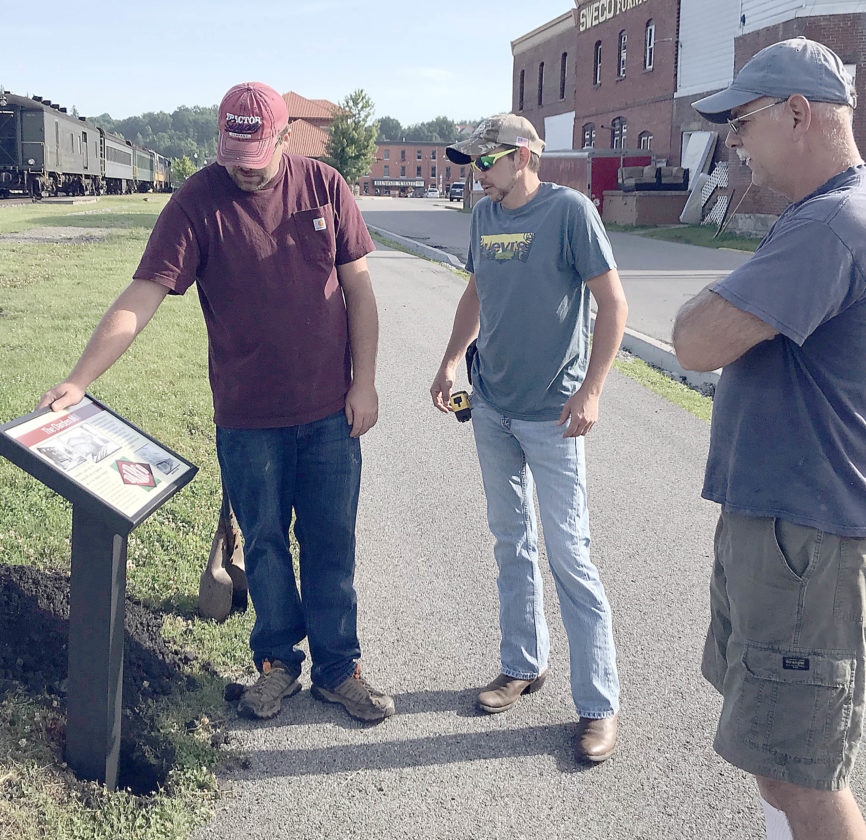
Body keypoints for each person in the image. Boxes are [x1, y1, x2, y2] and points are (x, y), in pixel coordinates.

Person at [38, 82, 395, 724]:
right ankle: (277, 664)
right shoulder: (197, 200)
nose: (242, 166)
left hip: (328, 412)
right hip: (247, 415)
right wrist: (80, 378)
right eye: (232, 152)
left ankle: (340, 670)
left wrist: (363, 381)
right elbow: (143, 294)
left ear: (285, 139)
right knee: (262, 543)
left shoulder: (325, 187)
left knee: (331, 541)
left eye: (255, 154)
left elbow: (359, 293)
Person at [672, 38, 866, 839]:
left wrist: (708, 305)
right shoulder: (824, 218)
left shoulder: (828, 225)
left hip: (803, 538)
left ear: (798, 113)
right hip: (789, 524)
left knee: (802, 775)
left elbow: (694, 341)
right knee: (776, 755)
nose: (733, 146)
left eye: (742, 125)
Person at [430, 114, 628, 762]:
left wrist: (593, 390)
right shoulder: (486, 218)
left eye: (483, 163)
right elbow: (477, 290)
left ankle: (598, 706)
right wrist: (451, 359)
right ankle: (521, 665)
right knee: (511, 541)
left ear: (521, 157)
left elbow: (613, 303)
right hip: (492, 406)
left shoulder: (569, 213)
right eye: (471, 165)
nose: (475, 175)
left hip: (552, 413)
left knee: (570, 555)